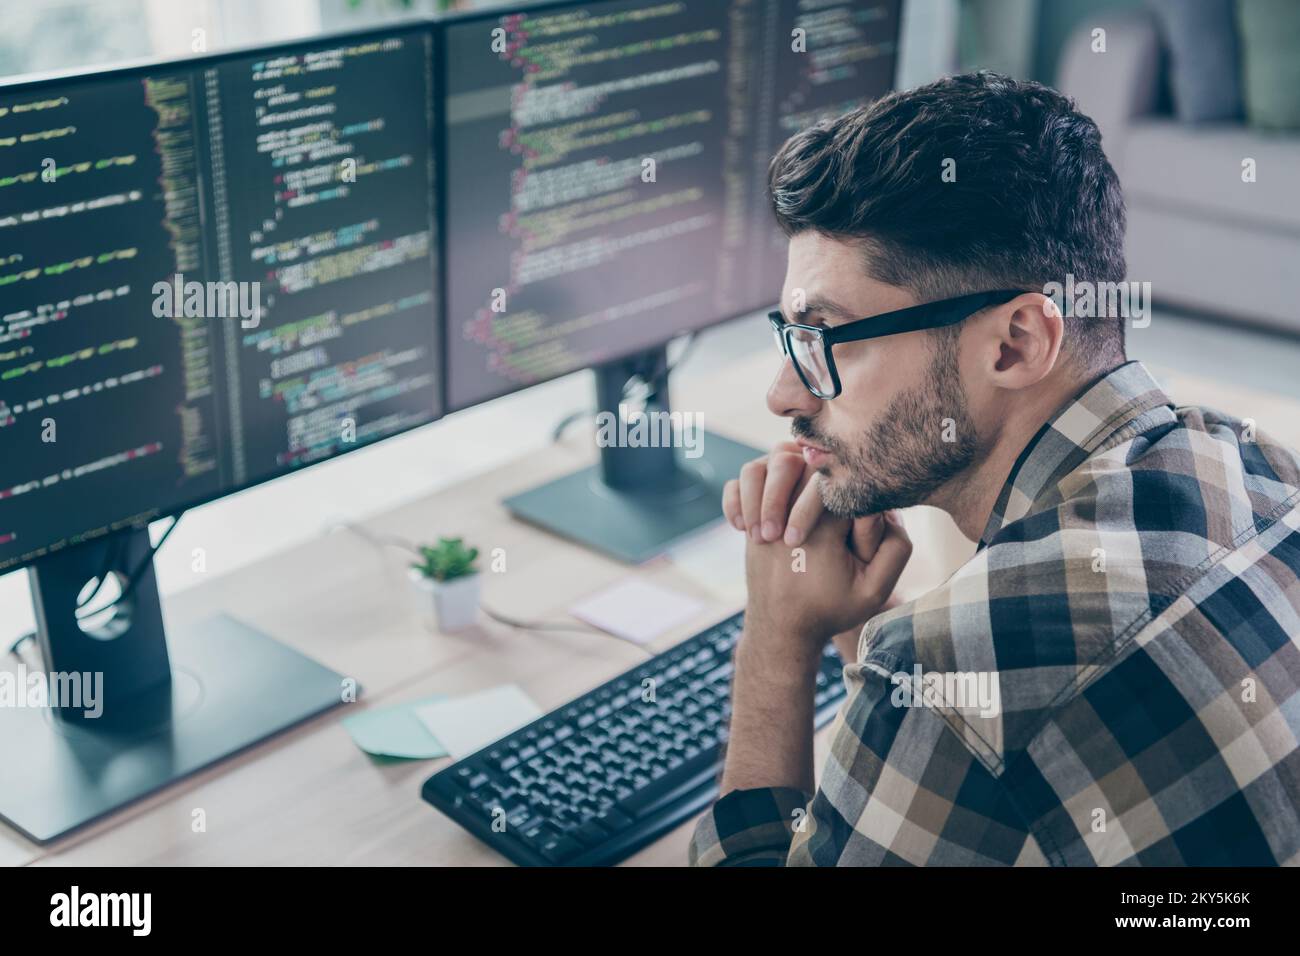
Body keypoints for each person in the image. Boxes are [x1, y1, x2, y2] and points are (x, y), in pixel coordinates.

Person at [689, 72, 1300, 866]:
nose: (782, 396)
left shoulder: (954, 677)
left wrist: (775, 641)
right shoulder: (1258, 467)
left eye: (828, 339)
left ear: (1014, 343)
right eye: (789, 336)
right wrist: (862, 648)